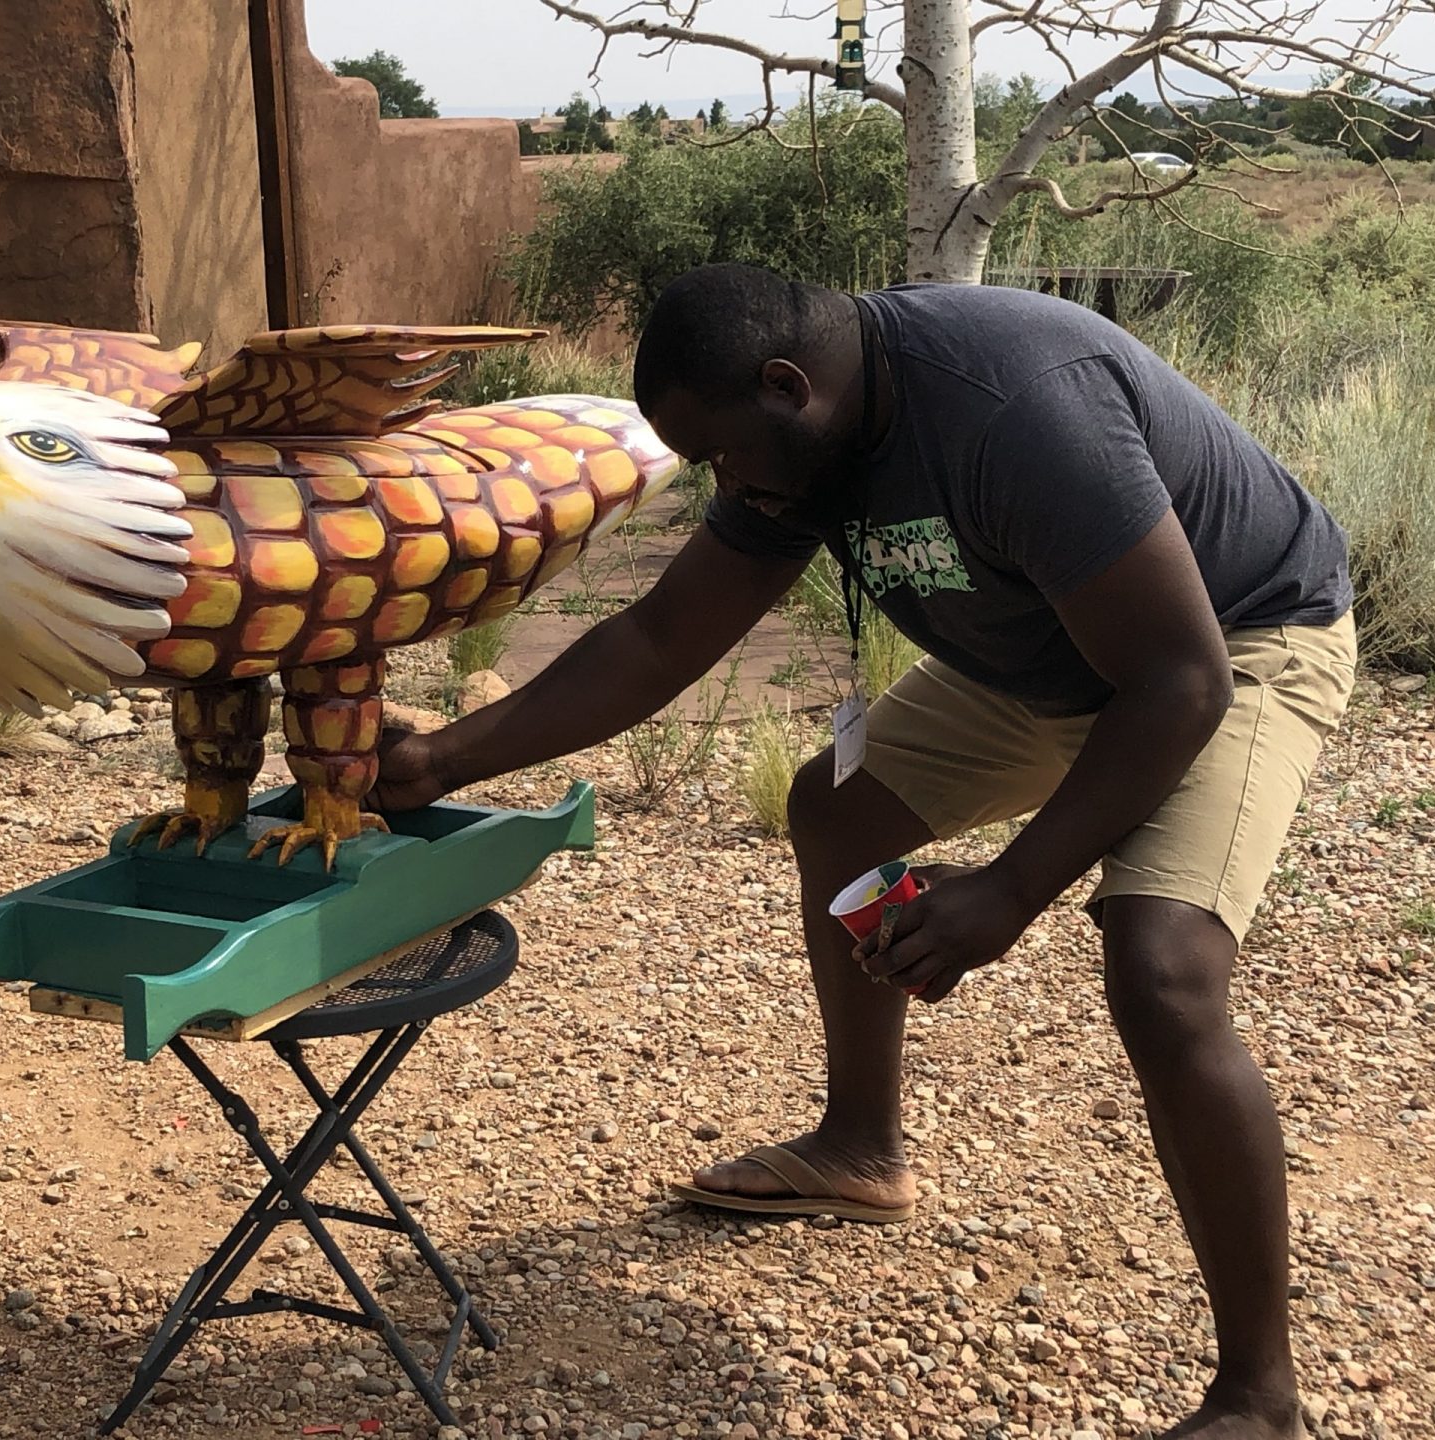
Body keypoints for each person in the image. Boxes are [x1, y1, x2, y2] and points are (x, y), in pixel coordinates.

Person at [374, 262, 1355, 1440]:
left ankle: (1258, 1400)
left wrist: (1013, 888)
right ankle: (860, 1149)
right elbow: (659, 639)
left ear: (788, 386)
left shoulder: (1013, 409)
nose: (726, 486)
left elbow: (1180, 681)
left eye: (723, 455)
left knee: (1163, 967)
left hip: (1233, 639)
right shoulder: (800, 440)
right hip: (1049, 654)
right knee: (840, 810)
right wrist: (446, 761)